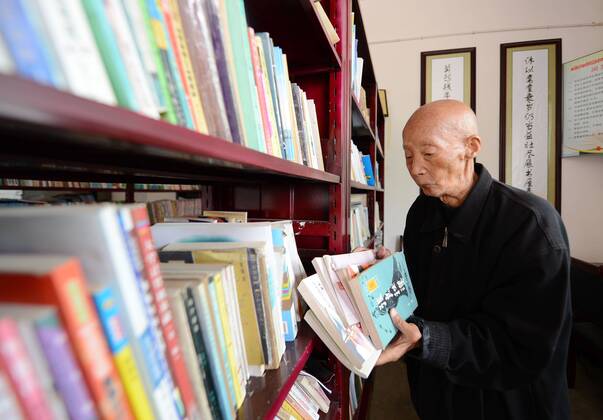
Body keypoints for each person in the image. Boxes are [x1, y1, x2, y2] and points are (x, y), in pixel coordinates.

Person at [373, 99, 571, 419]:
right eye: (408, 155)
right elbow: (422, 290)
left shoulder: (531, 225)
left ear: (471, 147)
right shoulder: (422, 211)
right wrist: (388, 273)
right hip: (437, 392)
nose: (415, 168)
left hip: (507, 402)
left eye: (429, 153)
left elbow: (519, 344)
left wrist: (427, 339)